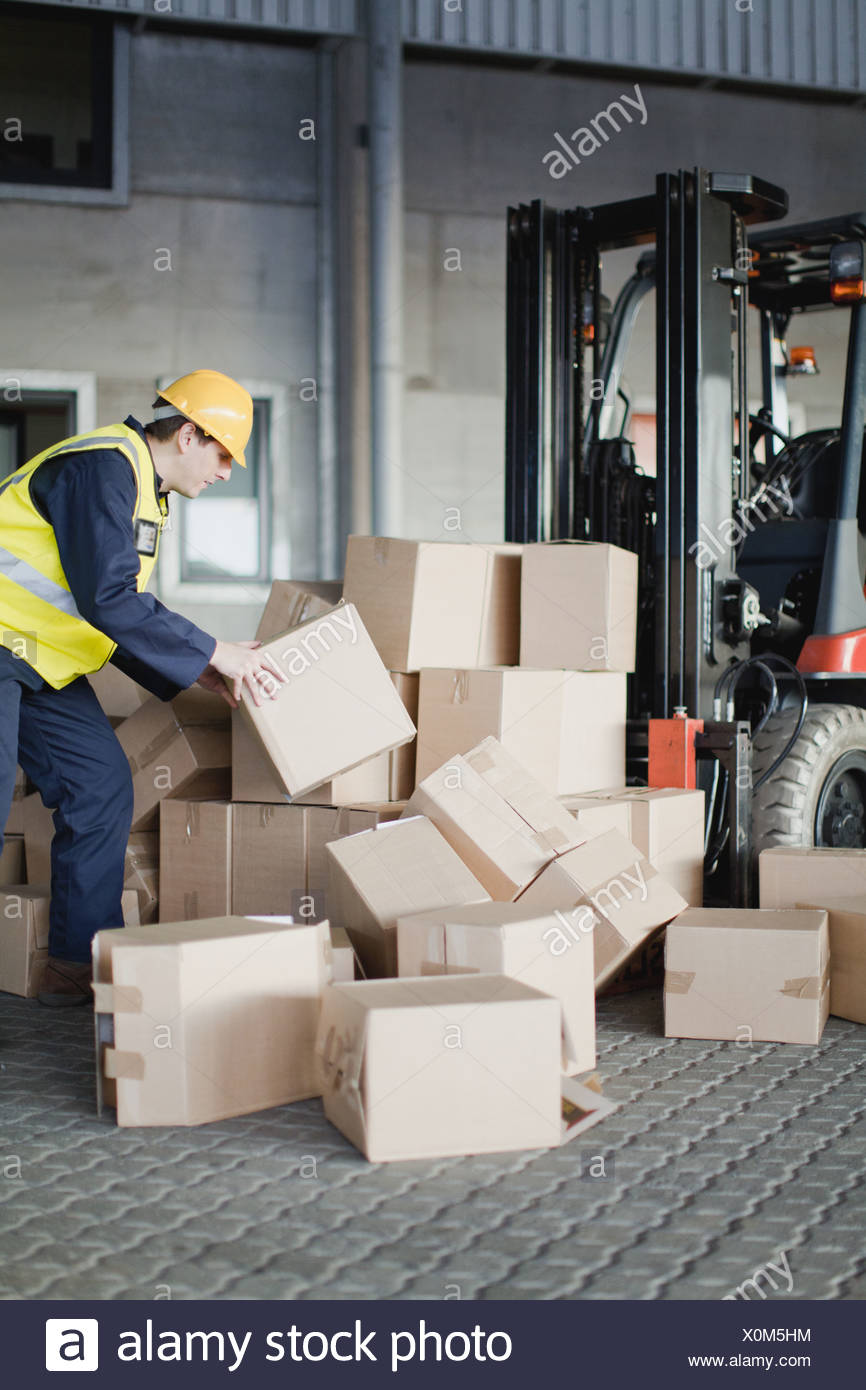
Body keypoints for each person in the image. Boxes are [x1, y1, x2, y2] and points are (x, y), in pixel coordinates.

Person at [0, 369, 286, 1007]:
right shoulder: (101, 467)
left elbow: (104, 608)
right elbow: (108, 599)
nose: (226, 473)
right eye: (222, 455)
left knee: (98, 788)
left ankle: (78, 969)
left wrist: (200, 669)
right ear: (189, 435)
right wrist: (214, 649)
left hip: (39, 660)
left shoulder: (141, 490)